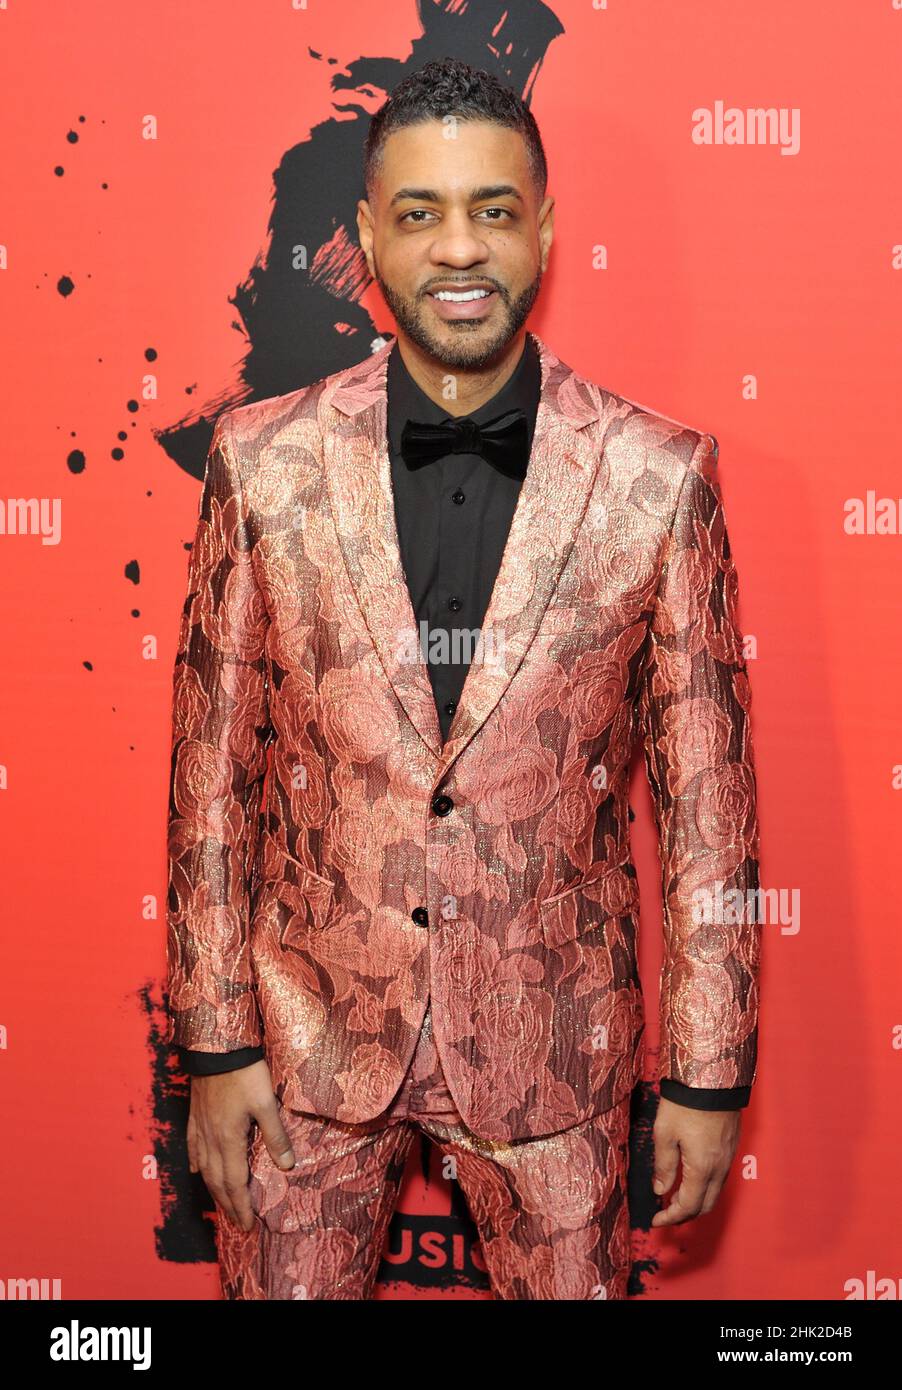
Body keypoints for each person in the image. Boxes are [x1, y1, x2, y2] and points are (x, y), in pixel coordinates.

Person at [165, 56, 761, 1301]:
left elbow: (708, 814)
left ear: (542, 227)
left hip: (557, 1052)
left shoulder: (660, 477)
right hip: (300, 1045)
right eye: (423, 211)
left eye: (492, 209)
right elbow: (209, 780)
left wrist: (707, 1075)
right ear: (370, 233)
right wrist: (216, 1042)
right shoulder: (260, 460)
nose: (459, 250)